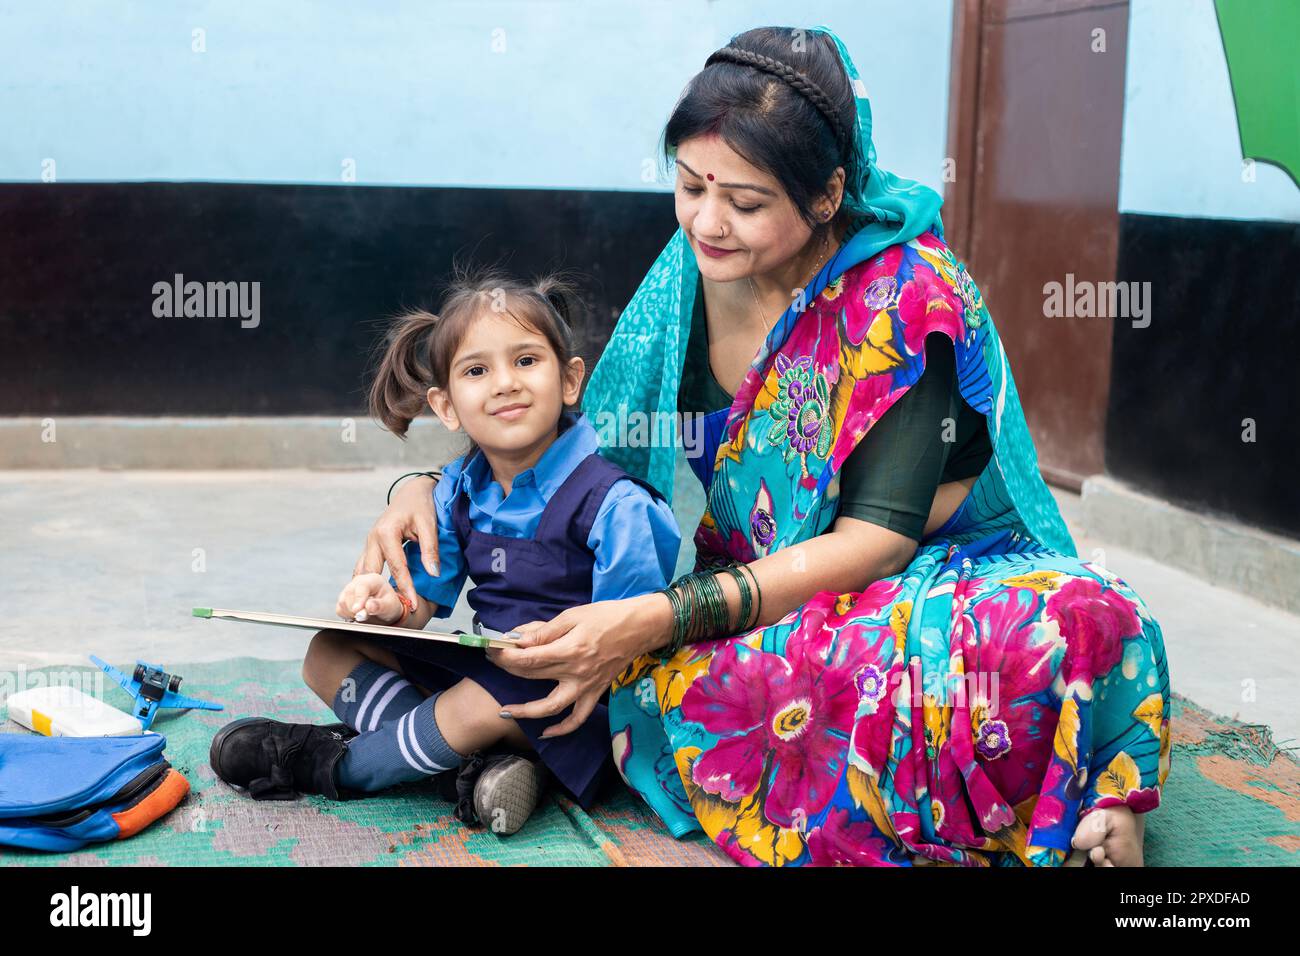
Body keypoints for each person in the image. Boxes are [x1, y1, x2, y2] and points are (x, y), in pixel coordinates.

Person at [359, 25, 1172, 866]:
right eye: (689, 187)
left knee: (1078, 625)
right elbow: (571, 440)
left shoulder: (904, 296)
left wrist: (661, 615)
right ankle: (1052, 796)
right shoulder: (690, 270)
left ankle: (1090, 790)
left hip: (937, 585)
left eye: (745, 203)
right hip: (765, 589)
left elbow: (876, 545)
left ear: (826, 195)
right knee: (684, 674)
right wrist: (423, 487)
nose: (708, 223)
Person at [209, 268, 680, 836]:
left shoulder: (616, 504)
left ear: (571, 381)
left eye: (527, 361)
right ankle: (477, 770)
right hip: (492, 674)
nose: (505, 383)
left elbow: (629, 647)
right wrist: (384, 603)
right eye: (477, 370)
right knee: (327, 652)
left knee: (476, 704)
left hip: (578, 702)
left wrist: (550, 670)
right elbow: (423, 606)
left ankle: (334, 766)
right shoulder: (457, 490)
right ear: (447, 406)